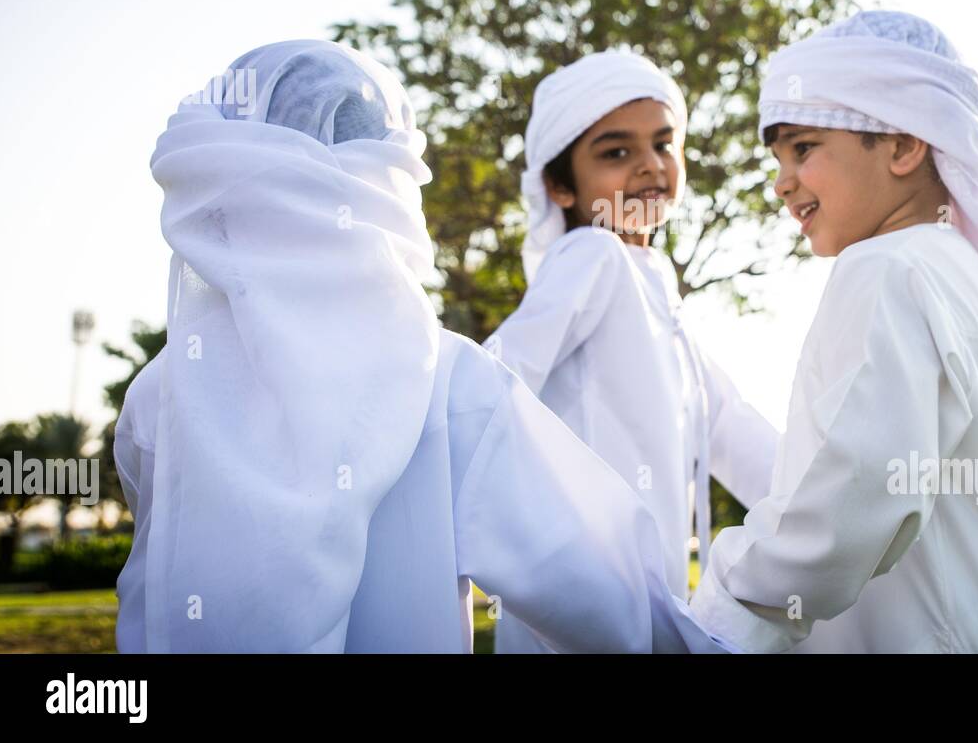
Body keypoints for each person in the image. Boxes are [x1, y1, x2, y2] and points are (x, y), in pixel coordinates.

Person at [114, 39, 728, 653]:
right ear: (387, 180)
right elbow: (605, 594)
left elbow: (151, 592)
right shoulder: (445, 380)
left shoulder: (157, 395)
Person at [688, 11, 978, 653]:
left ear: (904, 146)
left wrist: (711, 623)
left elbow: (845, 507)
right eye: (778, 157)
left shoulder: (887, 268)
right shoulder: (956, 268)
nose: (780, 182)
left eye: (804, 148)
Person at [484, 51, 780, 654]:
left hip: (645, 598)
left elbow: (728, 425)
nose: (650, 166)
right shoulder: (593, 255)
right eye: (616, 152)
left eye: (664, 144)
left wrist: (831, 509)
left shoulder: (656, 281)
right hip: (583, 603)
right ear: (560, 185)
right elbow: (494, 378)